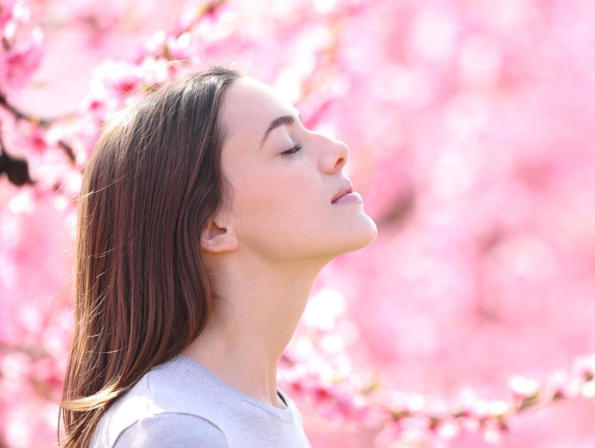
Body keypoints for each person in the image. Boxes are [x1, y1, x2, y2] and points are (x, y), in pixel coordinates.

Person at [57, 66, 378, 448]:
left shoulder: (248, 411)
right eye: (289, 147)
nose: (338, 151)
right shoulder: (173, 429)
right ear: (212, 227)